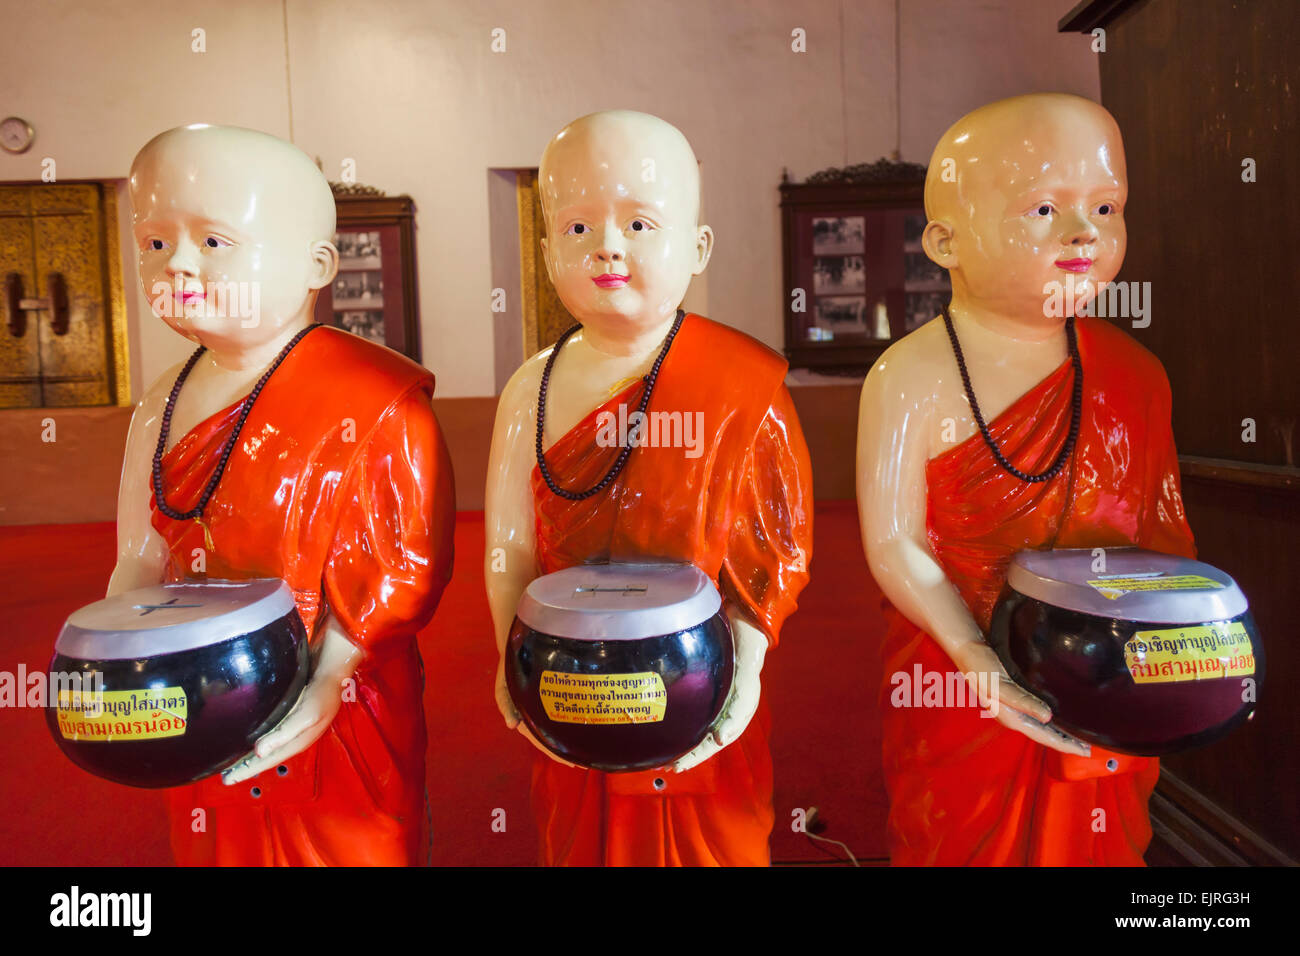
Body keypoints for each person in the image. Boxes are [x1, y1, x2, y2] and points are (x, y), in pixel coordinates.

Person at [856, 93, 1196, 865]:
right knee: (957, 835)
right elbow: (893, 540)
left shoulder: (1134, 375)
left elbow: (1164, 539)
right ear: (945, 239)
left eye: (1107, 207)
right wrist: (975, 654)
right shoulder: (907, 376)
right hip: (956, 668)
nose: (1086, 235)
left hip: (1105, 669)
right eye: (1045, 208)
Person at [110, 125, 456, 865]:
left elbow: (405, 567)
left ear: (317, 264)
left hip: (342, 695)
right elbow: (137, 562)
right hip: (197, 688)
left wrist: (329, 676)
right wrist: (123, 655)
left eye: (213, 241)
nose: (178, 265)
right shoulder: (160, 404)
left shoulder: (376, 398)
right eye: (154, 242)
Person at [484, 110, 814, 866]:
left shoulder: (740, 382)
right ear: (544, 250)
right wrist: (511, 654)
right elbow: (507, 545)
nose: (606, 245)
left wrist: (750, 663)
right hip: (567, 668)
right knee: (579, 832)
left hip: (702, 666)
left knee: (710, 840)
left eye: (639, 223)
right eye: (576, 228)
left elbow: (777, 546)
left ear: (696, 248)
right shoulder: (528, 389)